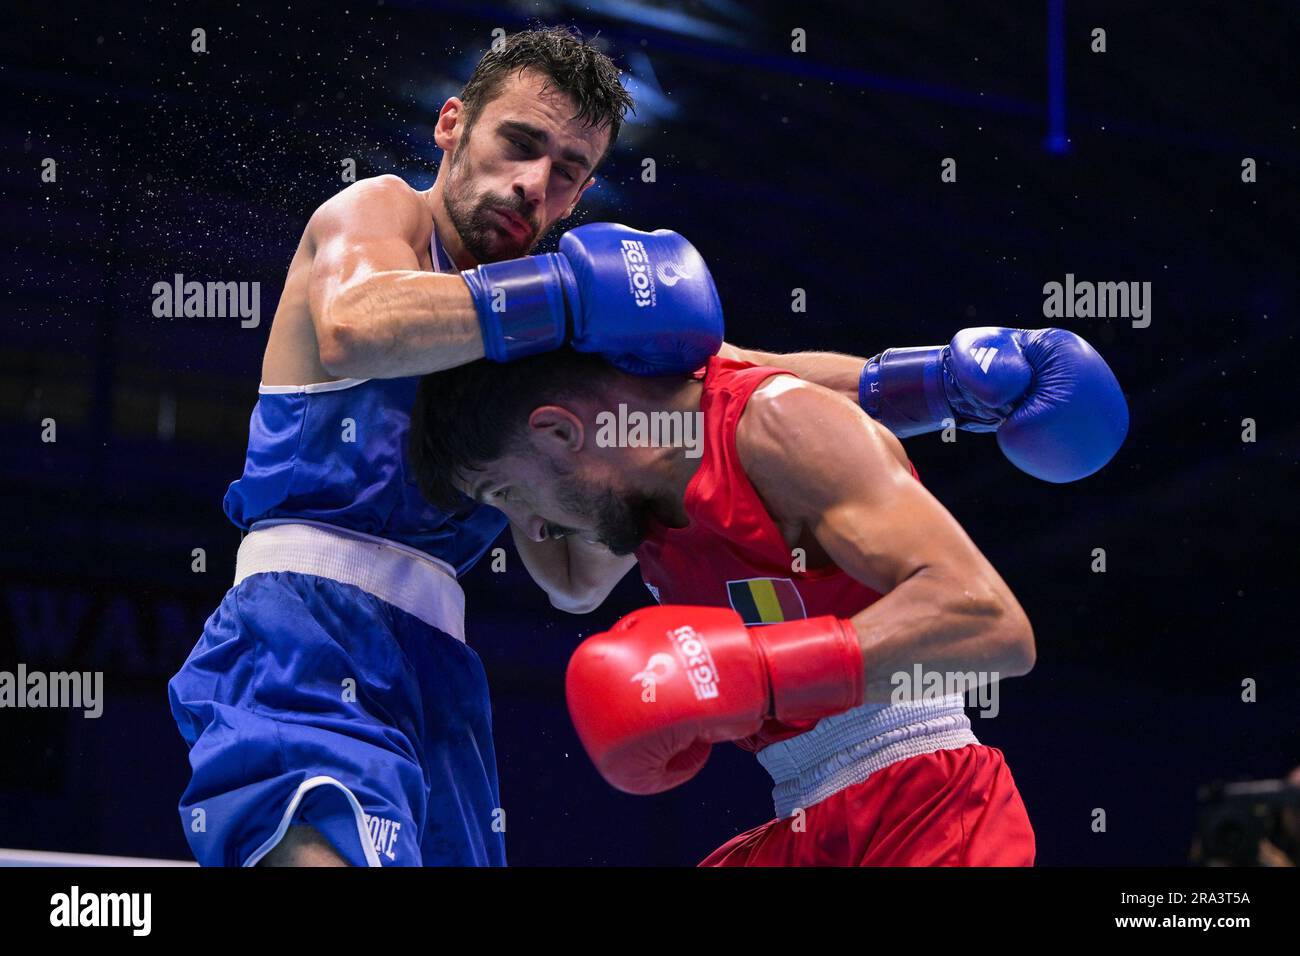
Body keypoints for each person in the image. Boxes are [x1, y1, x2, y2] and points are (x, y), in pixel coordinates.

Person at [169, 23, 1126, 867]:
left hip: (437, 659)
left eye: (570, 170)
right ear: (451, 124)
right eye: (520, 144)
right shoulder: (385, 216)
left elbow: (729, 372)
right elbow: (354, 324)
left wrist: (938, 385)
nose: (535, 185)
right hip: (303, 621)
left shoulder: (549, 311)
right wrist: (573, 298)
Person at [409, 339, 1125, 865]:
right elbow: (570, 582)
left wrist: (755, 672)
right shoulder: (639, 489)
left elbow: (992, 624)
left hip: (927, 804)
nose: (527, 527)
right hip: (803, 817)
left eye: (508, 495)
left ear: (561, 433)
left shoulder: (775, 424)